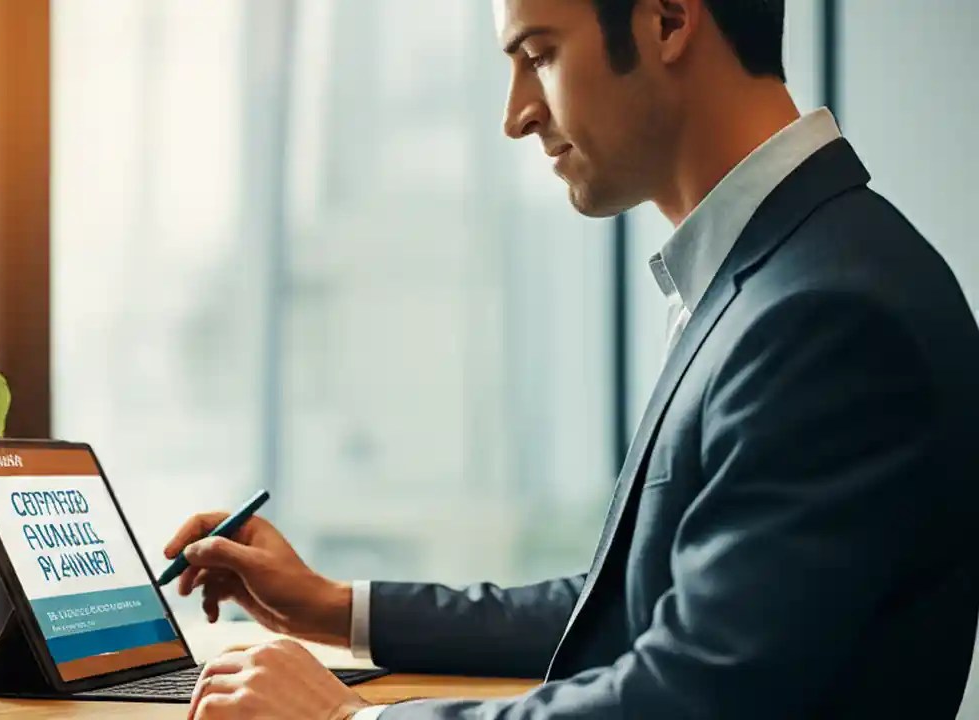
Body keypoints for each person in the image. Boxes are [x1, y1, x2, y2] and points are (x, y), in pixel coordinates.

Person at [167, 0, 979, 717]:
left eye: (539, 55)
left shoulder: (824, 314)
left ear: (666, 20)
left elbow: (696, 696)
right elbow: (639, 610)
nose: (516, 115)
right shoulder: (785, 272)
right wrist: (333, 606)